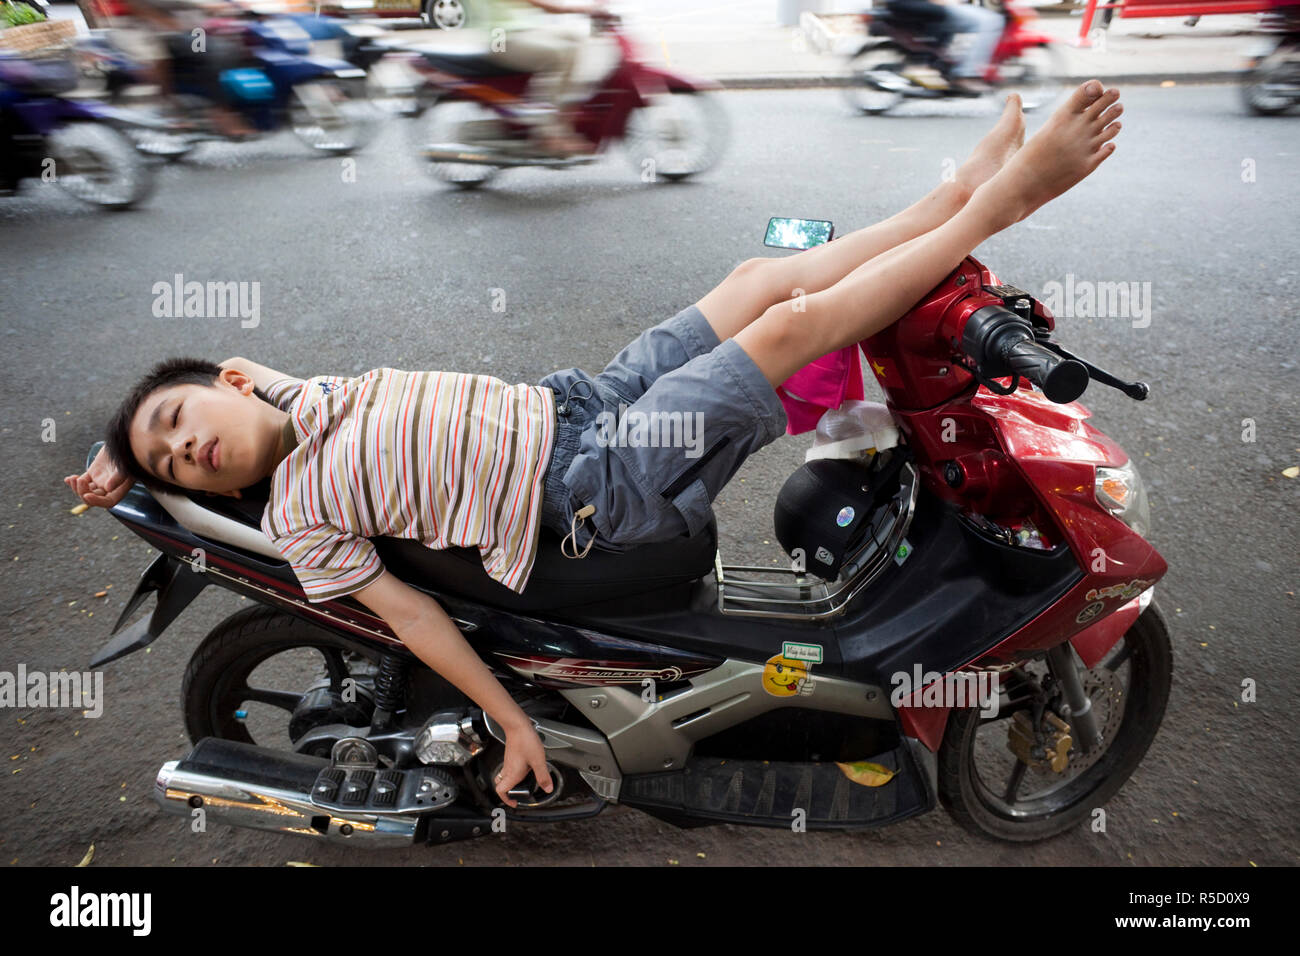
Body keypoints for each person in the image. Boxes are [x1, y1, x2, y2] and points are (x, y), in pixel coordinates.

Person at [66, 80, 1124, 806]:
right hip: (582, 500)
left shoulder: (301, 394)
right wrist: (507, 722)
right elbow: (412, 617)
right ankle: (1004, 199)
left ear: (234, 380)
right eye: (167, 460)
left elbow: (205, 398)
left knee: (759, 276)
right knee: (789, 329)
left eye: (178, 420)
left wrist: (120, 451)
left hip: (570, 405)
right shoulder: (301, 510)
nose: (184, 450)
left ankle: (947, 200)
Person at [482, 0, 607, 157]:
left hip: (525, 32)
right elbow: (541, 4)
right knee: (559, 54)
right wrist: (581, 8)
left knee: (577, 39)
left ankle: (562, 122)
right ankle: (547, 134)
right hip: (500, 39)